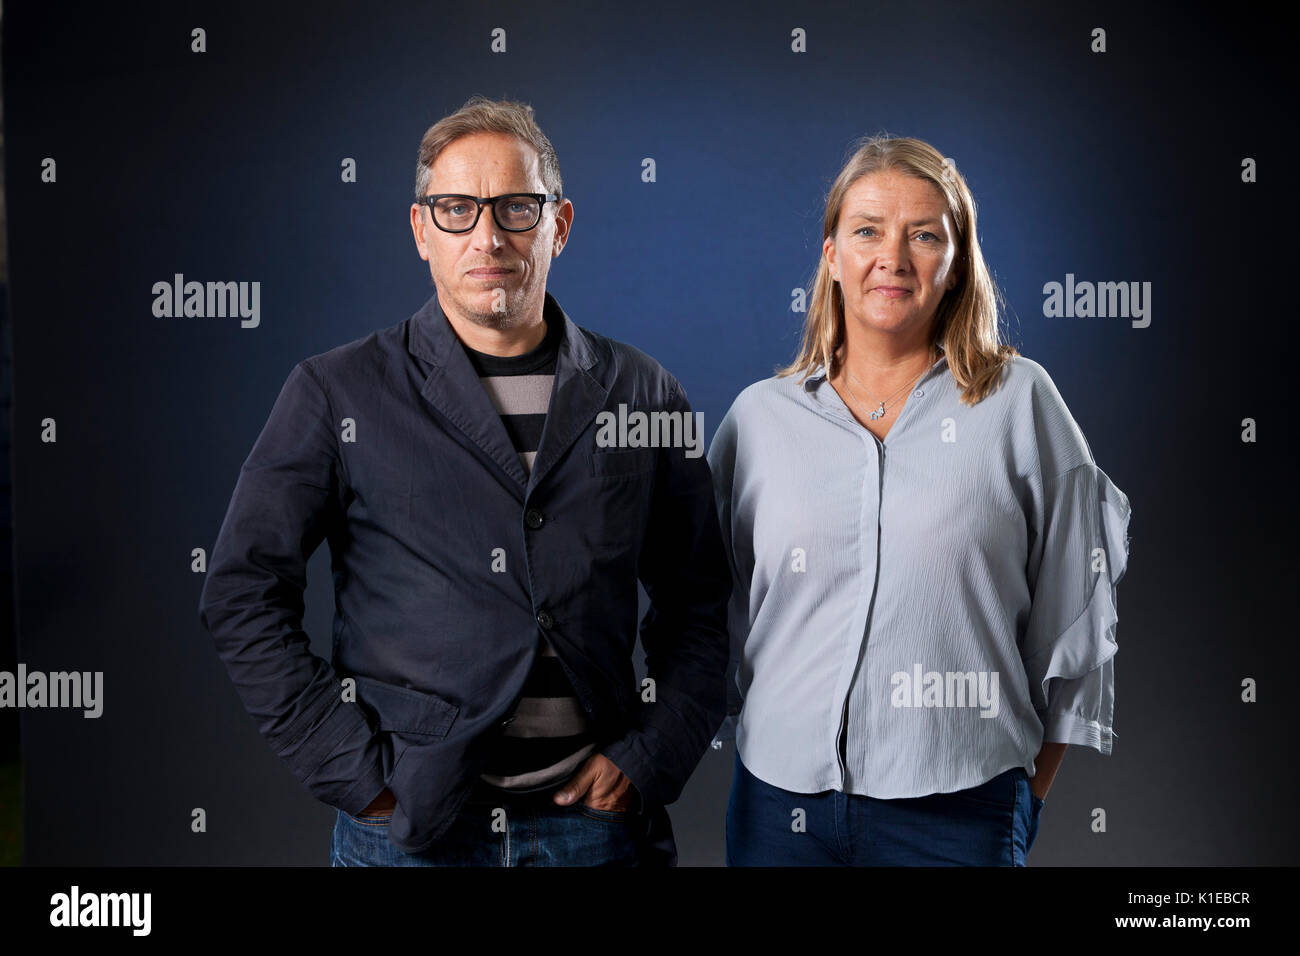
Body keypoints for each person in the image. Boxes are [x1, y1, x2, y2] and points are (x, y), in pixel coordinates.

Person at [197, 96, 730, 866]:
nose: (487, 236)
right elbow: (241, 591)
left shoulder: (643, 393)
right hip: (411, 832)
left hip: (595, 832)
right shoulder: (335, 391)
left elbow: (701, 601)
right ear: (421, 230)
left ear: (560, 224)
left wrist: (653, 755)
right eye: (456, 209)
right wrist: (356, 774)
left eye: (516, 208)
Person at [708, 134, 1132, 866]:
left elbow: (1078, 611)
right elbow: (705, 609)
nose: (893, 258)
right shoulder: (758, 420)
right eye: (868, 230)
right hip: (781, 815)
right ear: (832, 255)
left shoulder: (1021, 404)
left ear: (958, 262)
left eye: (925, 235)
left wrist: (1023, 798)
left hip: (959, 814)